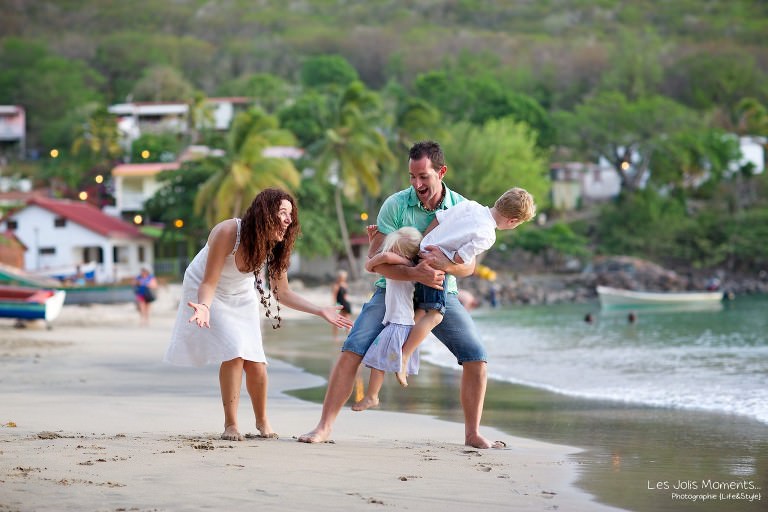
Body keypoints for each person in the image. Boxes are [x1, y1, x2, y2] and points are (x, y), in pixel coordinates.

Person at [299, 140, 504, 449]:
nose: (417, 183)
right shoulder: (394, 206)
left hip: (440, 290)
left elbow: (469, 267)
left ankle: (472, 433)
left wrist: (443, 266)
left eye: (424, 176)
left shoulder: (463, 207)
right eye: (412, 176)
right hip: (393, 288)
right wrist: (413, 273)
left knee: (476, 357)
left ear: (441, 172)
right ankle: (324, 427)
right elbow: (377, 263)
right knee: (352, 348)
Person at [164, 188, 353, 442]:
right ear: (265, 214)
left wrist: (320, 310)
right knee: (234, 350)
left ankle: (262, 420)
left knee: (256, 361)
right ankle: (231, 424)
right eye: (282, 213)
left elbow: (282, 293)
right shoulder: (229, 232)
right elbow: (208, 282)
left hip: (241, 294)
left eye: (290, 214)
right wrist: (205, 306)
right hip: (206, 288)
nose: (288, 220)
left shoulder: (278, 243)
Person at [392, 187, 536, 386]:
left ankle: (399, 346)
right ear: (512, 221)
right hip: (434, 266)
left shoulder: (470, 206)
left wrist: (425, 244)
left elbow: (438, 219)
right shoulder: (487, 235)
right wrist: (445, 259)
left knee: (421, 310)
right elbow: (460, 258)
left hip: (423, 251)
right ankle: (403, 356)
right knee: (435, 315)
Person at [352, 226, 423, 411]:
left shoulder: (405, 267)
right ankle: (373, 394)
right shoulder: (404, 267)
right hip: (398, 321)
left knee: (377, 360)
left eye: (391, 247)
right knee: (378, 360)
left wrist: (382, 253)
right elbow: (373, 262)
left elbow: (379, 260)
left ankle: (372, 396)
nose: (387, 250)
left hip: (400, 322)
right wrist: (372, 241)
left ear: (401, 253)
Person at [331, 270, 353, 341]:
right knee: (336, 320)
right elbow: (334, 296)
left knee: (348, 321)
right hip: (340, 305)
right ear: (339, 277)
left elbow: (345, 296)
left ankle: (348, 337)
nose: (343, 278)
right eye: (342, 277)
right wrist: (334, 306)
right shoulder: (336, 285)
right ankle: (335, 337)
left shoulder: (345, 284)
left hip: (346, 304)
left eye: (344, 277)